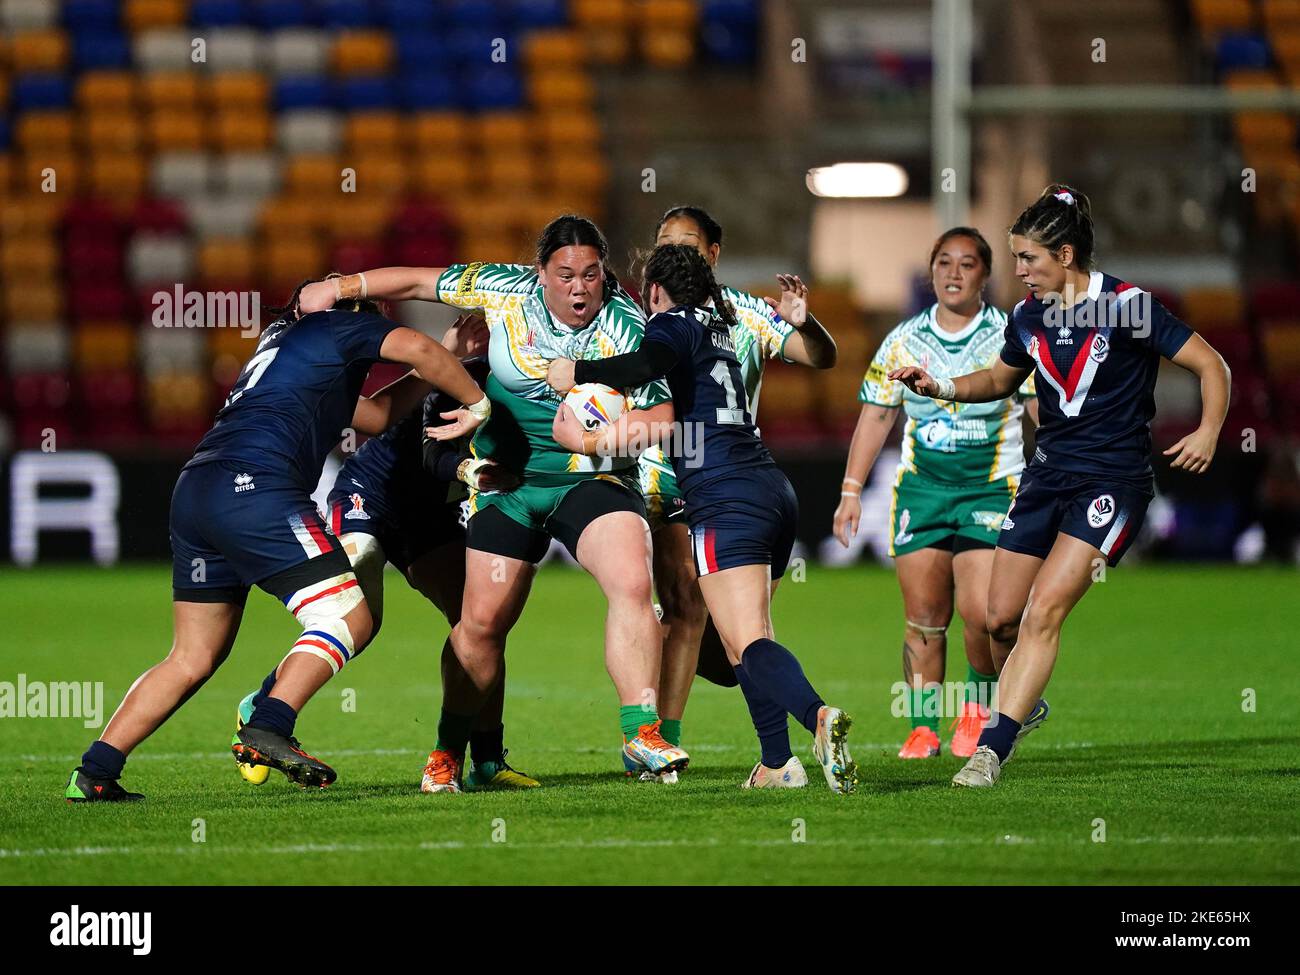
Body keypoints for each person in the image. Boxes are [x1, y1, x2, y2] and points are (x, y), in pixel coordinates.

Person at [294, 215, 689, 792]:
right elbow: (413, 283)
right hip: (506, 486)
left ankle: (642, 731)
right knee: (479, 625)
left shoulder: (629, 325)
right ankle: (448, 754)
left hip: (590, 478)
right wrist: (339, 288)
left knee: (631, 582)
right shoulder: (505, 291)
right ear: (540, 274)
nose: (580, 289)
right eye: (565, 275)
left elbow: (662, 418)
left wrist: (605, 439)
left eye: (592, 275)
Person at [65, 286, 489, 801]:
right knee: (350, 617)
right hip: (256, 487)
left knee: (191, 656)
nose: (372, 307)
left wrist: (438, 364)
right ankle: (269, 720)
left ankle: (94, 772)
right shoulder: (336, 322)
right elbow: (420, 350)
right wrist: (475, 399)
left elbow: (376, 416)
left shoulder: (287, 347)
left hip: (198, 489)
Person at [889, 185, 1231, 788]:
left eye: (1029, 260)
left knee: (1044, 610)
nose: (1019, 272)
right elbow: (999, 377)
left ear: (1066, 255)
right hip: (1044, 477)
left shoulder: (1130, 307)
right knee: (997, 620)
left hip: (1111, 484)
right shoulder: (1028, 317)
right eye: (1017, 259)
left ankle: (992, 748)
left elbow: (1212, 364)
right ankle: (1026, 699)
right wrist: (939, 385)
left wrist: (1208, 430)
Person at [546, 243, 856, 794]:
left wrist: (579, 375)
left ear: (657, 292)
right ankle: (777, 764)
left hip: (723, 497)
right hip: (772, 488)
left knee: (750, 643)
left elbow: (646, 365)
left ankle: (817, 718)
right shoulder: (719, 329)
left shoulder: (673, 325)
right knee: (746, 641)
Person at [232, 321, 540, 793]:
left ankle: (487, 760)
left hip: (429, 517)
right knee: (359, 619)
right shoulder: (467, 377)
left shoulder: (538, 390)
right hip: (368, 497)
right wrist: (467, 469)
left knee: (480, 624)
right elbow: (432, 455)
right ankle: (265, 703)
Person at [630, 206, 837, 783]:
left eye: (689, 244)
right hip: (668, 474)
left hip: (715, 478)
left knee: (722, 630)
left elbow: (819, 357)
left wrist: (807, 322)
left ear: (714, 254)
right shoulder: (641, 308)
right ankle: (675, 745)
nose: (676, 252)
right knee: (690, 613)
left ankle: (749, 750)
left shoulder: (743, 310)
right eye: (664, 242)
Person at [832, 228, 1038, 761]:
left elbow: (1040, 411)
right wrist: (851, 490)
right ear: (931, 273)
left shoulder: (1011, 336)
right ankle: (922, 728)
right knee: (924, 617)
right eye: (943, 263)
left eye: (966, 264)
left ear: (985, 276)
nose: (953, 273)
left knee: (980, 613)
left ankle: (974, 715)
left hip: (991, 487)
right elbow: (877, 414)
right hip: (921, 491)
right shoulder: (902, 339)